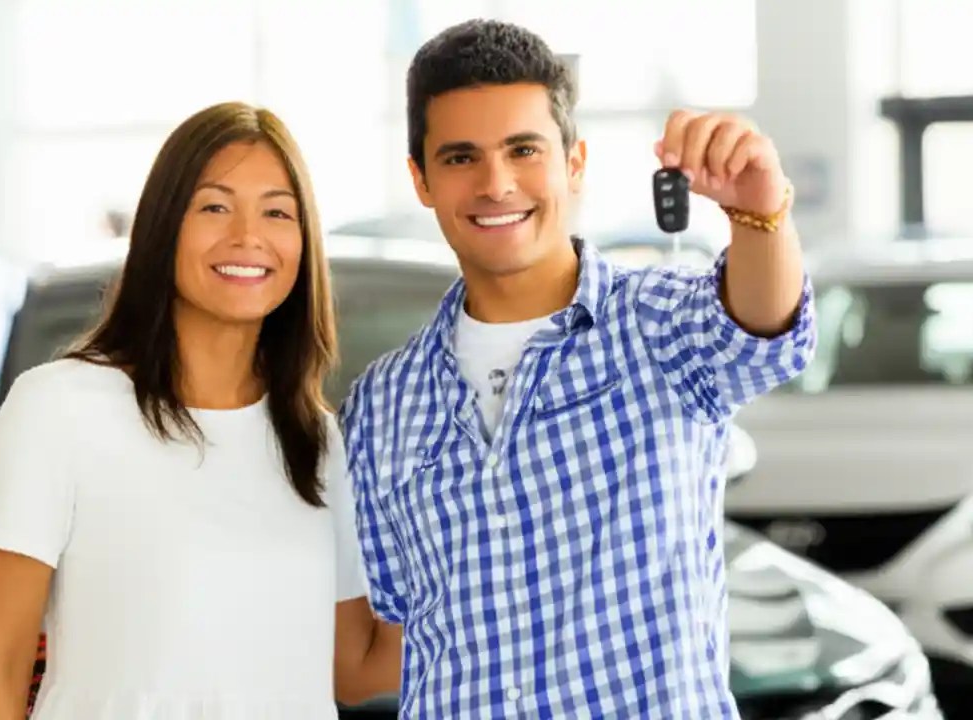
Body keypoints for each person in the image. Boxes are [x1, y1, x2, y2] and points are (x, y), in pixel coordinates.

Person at [339, 19, 817, 718]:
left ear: (575, 160)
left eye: (523, 149)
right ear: (421, 179)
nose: (496, 183)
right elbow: (382, 640)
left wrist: (759, 215)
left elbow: (763, 331)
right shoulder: (382, 404)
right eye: (461, 157)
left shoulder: (660, 326)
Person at [0, 101, 401, 720]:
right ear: (165, 227)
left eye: (277, 212)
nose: (248, 236)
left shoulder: (315, 438)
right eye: (215, 206)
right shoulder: (57, 409)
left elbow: (353, 669)